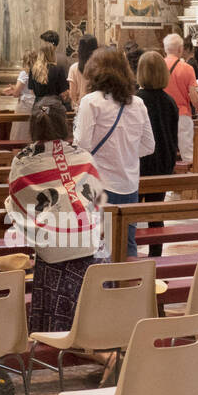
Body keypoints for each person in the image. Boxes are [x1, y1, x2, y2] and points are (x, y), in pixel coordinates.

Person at [5, 98, 105, 333]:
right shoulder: (84, 156)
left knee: (56, 323)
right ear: (65, 124)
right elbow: (97, 199)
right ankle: (98, 346)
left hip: (53, 251)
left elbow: (18, 201)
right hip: (91, 248)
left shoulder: (23, 160)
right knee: (87, 319)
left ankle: (54, 345)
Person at [73, 48, 154, 258]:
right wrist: (124, 154)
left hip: (100, 184)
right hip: (129, 184)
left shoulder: (91, 102)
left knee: (99, 243)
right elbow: (149, 146)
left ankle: (103, 288)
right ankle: (130, 287)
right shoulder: (138, 103)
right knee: (127, 242)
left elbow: (81, 145)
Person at [136, 51, 179, 257]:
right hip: (163, 163)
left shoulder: (136, 100)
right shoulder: (169, 101)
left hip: (140, 164)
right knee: (156, 213)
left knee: (131, 213)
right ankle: (156, 259)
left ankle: (128, 256)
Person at [162, 33, 198, 164]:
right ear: (180, 49)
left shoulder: (158, 66)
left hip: (162, 114)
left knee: (164, 151)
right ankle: (190, 182)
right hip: (182, 113)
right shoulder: (187, 68)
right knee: (188, 154)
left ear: (165, 48)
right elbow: (193, 95)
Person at [3, 50, 39, 142]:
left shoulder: (24, 73)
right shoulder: (39, 72)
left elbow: (16, 93)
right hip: (36, 103)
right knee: (33, 130)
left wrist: (14, 90)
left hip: (25, 104)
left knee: (20, 131)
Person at [68, 34, 98, 109]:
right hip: (98, 107)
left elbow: (72, 95)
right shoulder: (100, 67)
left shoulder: (73, 68)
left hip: (81, 107)